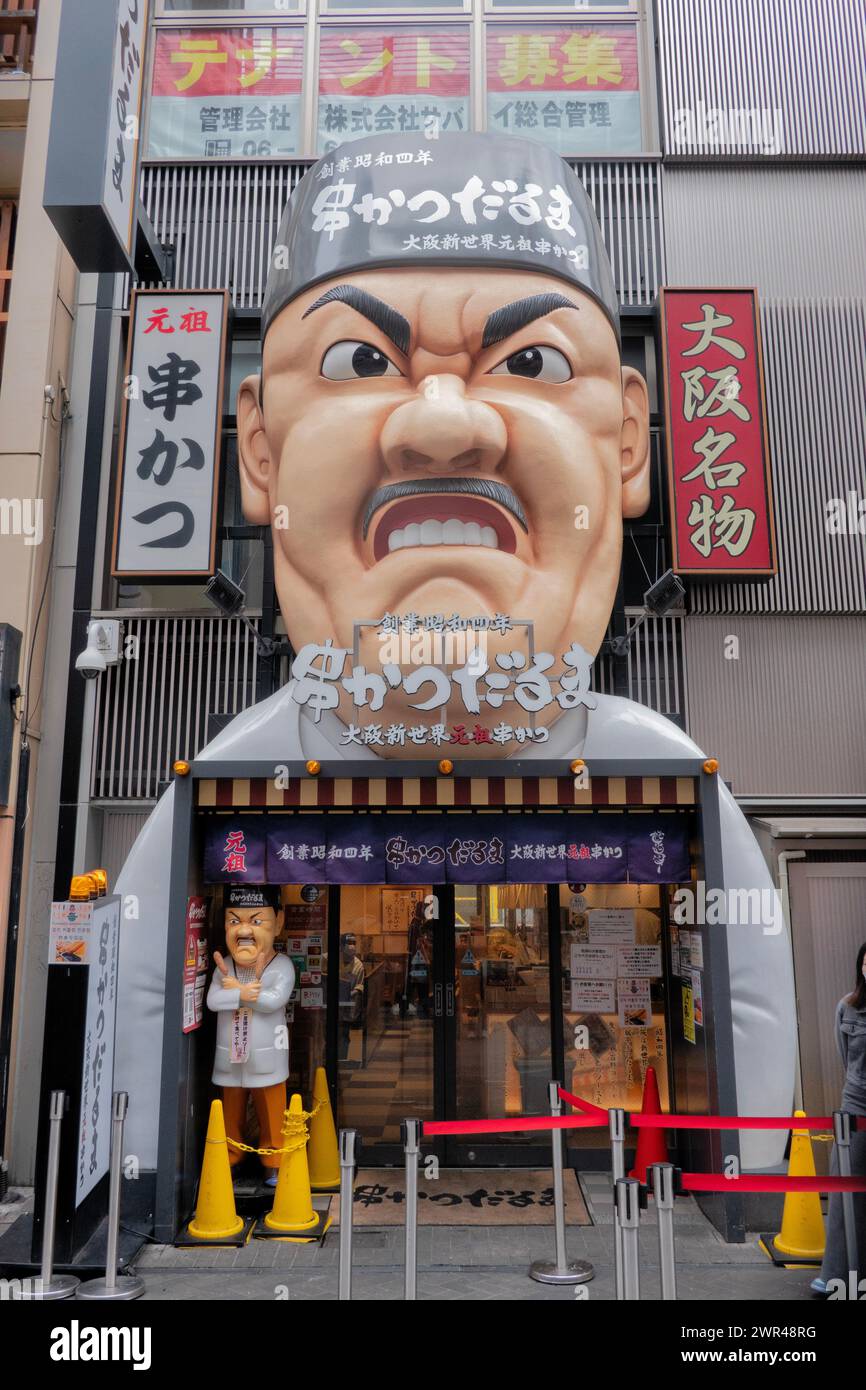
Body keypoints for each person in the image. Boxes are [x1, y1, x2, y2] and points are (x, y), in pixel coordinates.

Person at [114, 131, 795, 1174]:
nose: (440, 430)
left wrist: (751, 1173)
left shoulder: (664, 771)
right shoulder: (220, 781)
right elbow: (149, 990)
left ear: (626, 443)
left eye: (530, 362)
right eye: (357, 361)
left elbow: (747, 995)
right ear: (258, 448)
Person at [206, 886, 295, 1187]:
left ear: (278, 923)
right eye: (234, 921)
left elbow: (274, 1000)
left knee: (271, 1110)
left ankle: (273, 1163)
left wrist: (238, 993)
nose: (244, 930)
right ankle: (230, 1158)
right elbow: (212, 1001)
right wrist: (244, 994)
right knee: (229, 1110)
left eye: (256, 922)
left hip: (267, 1055)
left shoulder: (281, 965)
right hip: (230, 1056)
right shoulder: (223, 968)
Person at [812, 942, 866, 1294]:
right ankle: (835, 1274)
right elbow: (845, 1059)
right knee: (845, 1190)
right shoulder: (847, 1008)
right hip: (855, 1108)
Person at [338, 932, 365, 1058]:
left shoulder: (358, 965)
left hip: (347, 1004)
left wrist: (350, 993)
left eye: (354, 943)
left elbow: (360, 985)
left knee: (344, 1032)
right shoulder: (332, 959)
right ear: (342, 946)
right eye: (349, 943)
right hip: (333, 1002)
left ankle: (342, 1058)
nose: (352, 946)